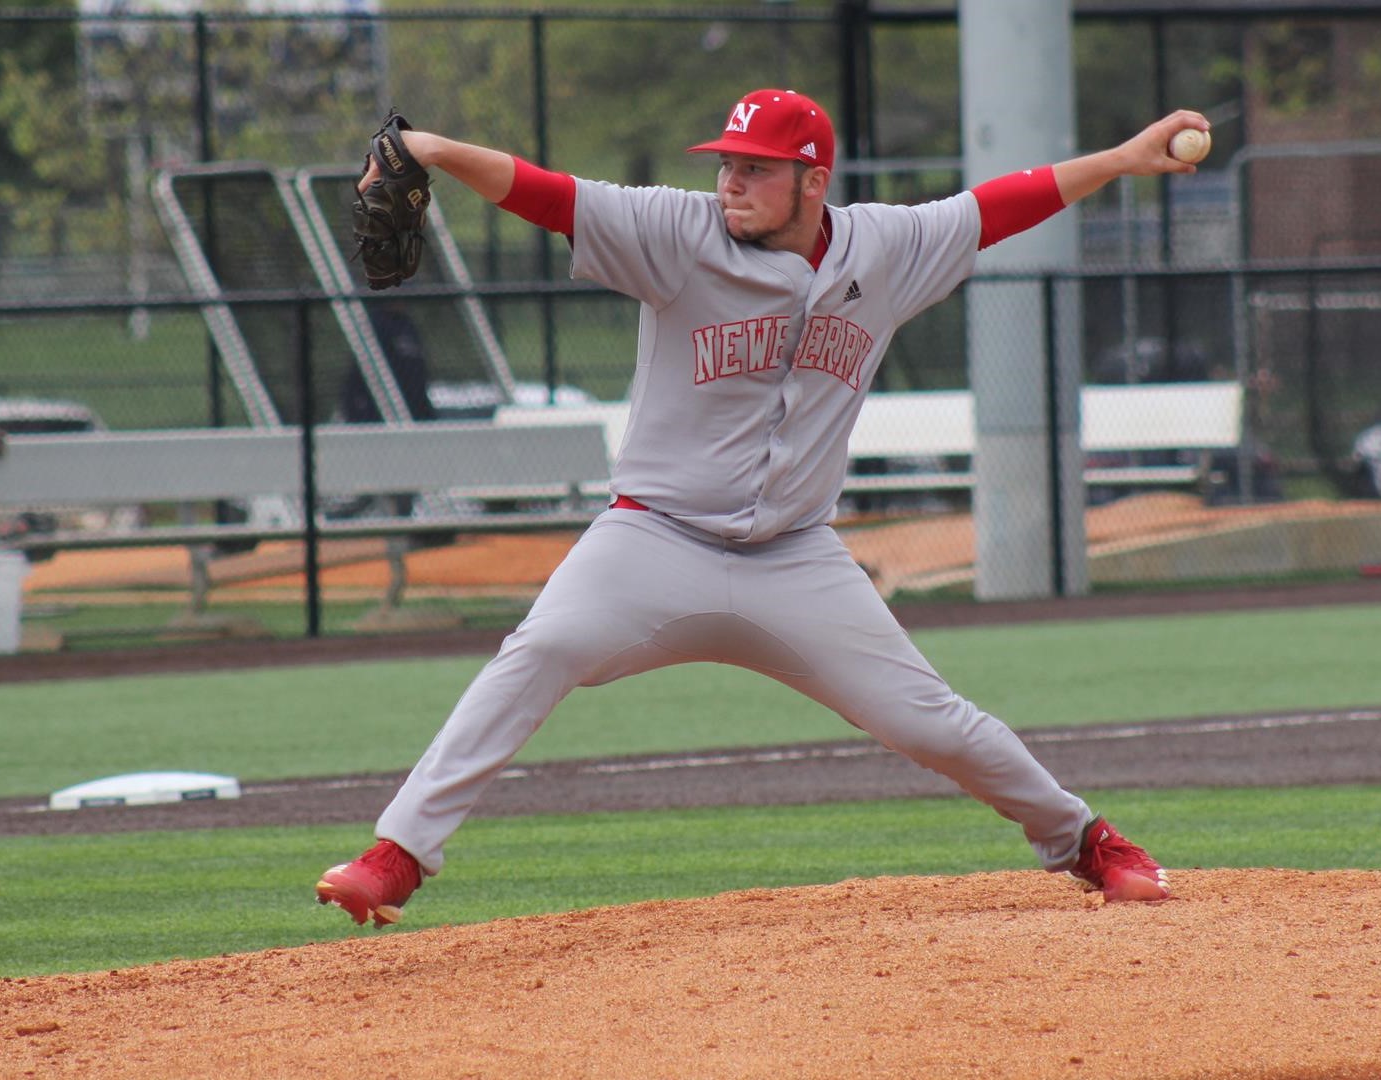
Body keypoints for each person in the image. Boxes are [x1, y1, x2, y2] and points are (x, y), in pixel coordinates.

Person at [317, 88, 1209, 927]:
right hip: (652, 540)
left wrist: (1121, 160)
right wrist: (428, 147)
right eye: (726, 163)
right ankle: (396, 854)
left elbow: (1001, 204)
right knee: (540, 648)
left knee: (926, 719)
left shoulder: (885, 248)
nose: (729, 182)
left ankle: (1089, 843)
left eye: (754, 168)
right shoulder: (677, 230)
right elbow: (548, 195)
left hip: (795, 558)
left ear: (812, 182)